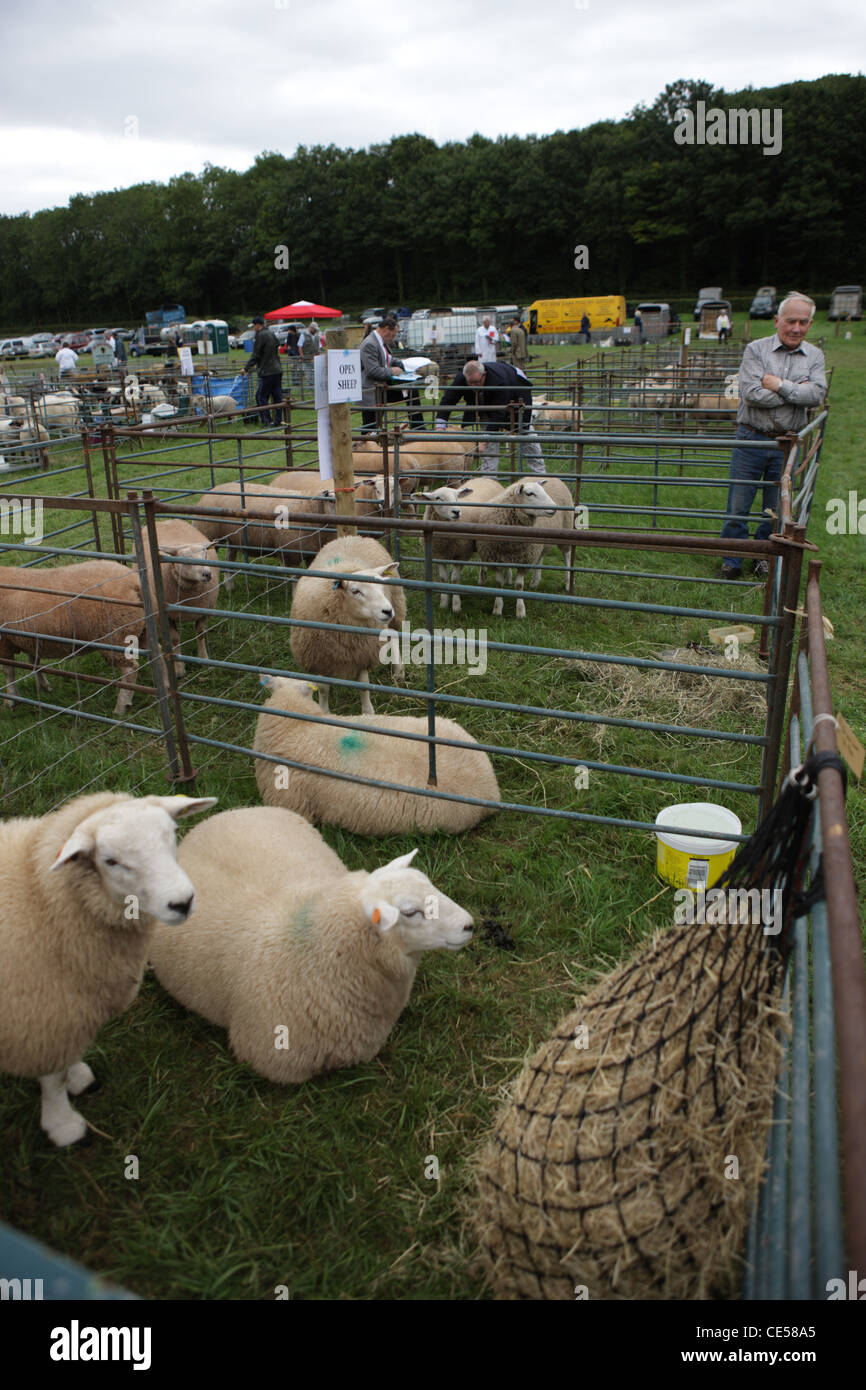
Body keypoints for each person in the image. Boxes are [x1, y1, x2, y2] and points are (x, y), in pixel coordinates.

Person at [720, 293, 826, 580]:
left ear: (811, 323)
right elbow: (752, 395)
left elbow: (817, 394)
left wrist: (778, 384)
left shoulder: (814, 355)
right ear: (777, 320)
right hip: (751, 438)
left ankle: (763, 557)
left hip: (787, 442)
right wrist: (796, 393)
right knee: (738, 504)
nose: (796, 328)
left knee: (775, 507)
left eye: (803, 322)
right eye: (791, 321)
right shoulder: (756, 350)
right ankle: (732, 559)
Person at [435, 358, 546, 475]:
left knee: (525, 434)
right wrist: (440, 427)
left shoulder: (499, 380)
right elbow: (448, 400)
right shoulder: (461, 379)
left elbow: (498, 413)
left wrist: (484, 441)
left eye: (477, 382)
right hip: (486, 404)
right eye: (470, 383)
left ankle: (540, 473)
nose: (474, 386)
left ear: (484, 374)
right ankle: (489, 478)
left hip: (516, 392)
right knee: (488, 441)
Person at [359, 313, 423, 433]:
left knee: (410, 391)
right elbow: (373, 370)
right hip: (372, 391)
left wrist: (406, 364)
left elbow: (388, 359)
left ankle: (418, 428)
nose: (393, 338)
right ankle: (364, 447)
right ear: (387, 329)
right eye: (393, 335)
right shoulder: (370, 344)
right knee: (370, 425)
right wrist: (392, 371)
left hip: (382, 388)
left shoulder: (380, 343)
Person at [242, 315, 283, 426]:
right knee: (277, 396)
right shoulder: (271, 333)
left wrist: (246, 368)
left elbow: (256, 355)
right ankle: (279, 420)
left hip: (267, 371)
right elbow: (276, 348)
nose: (253, 328)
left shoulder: (261, 336)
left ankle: (267, 420)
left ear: (258, 325)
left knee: (261, 396)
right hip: (277, 369)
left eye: (254, 326)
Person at [298, 322, 320, 392]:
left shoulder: (317, 335)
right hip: (307, 357)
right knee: (308, 372)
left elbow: (319, 345)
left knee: (316, 372)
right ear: (311, 328)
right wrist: (302, 356)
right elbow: (300, 346)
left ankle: (315, 386)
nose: (315, 330)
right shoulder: (303, 335)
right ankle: (309, 387)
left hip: (316, 357)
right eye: (314, 329)